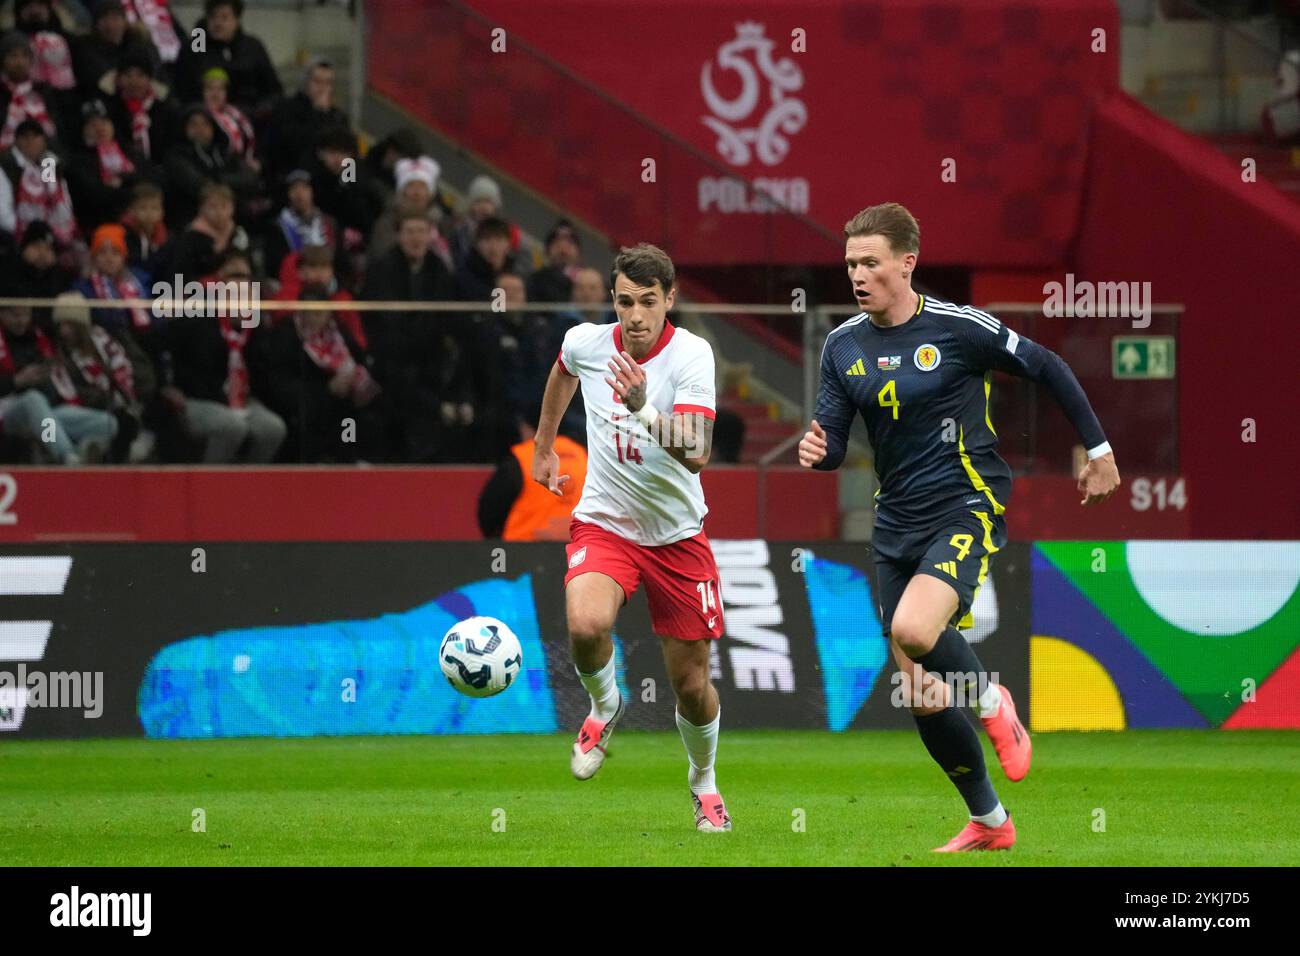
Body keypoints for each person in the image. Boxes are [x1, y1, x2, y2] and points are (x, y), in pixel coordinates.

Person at [798, 202, 1121, 852]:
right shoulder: (843, 345)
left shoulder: (957, 328)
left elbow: (1047, 366)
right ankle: (991, 822)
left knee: (917, 631)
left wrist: (1100, 449)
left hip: (964, 503)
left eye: (871, 262)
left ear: (906, 262)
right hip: (896, 518)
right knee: (916, 686)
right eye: (851, 263)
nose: (858, 275)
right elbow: (832, 437)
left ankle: (994, 702)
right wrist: (819, 451)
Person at [532, 242, 731, 832]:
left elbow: (697, 452)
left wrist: (644, 406)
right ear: (612, 301)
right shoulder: (586, 343)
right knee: (587, 625)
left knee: (692, 687)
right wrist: (544, 445)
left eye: (649, 302)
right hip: (606, 522)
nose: (636, 315)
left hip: (676, 535)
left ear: (669, 300)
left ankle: (703, 783)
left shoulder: (692, 356)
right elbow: (562, 372)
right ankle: (605, 704)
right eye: (625, 302)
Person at [477, 400, 586, 540]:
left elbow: (489, 511)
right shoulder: (583, 455)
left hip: (522, 553)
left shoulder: (521, 459)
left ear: (526, 427)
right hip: (576, 552)